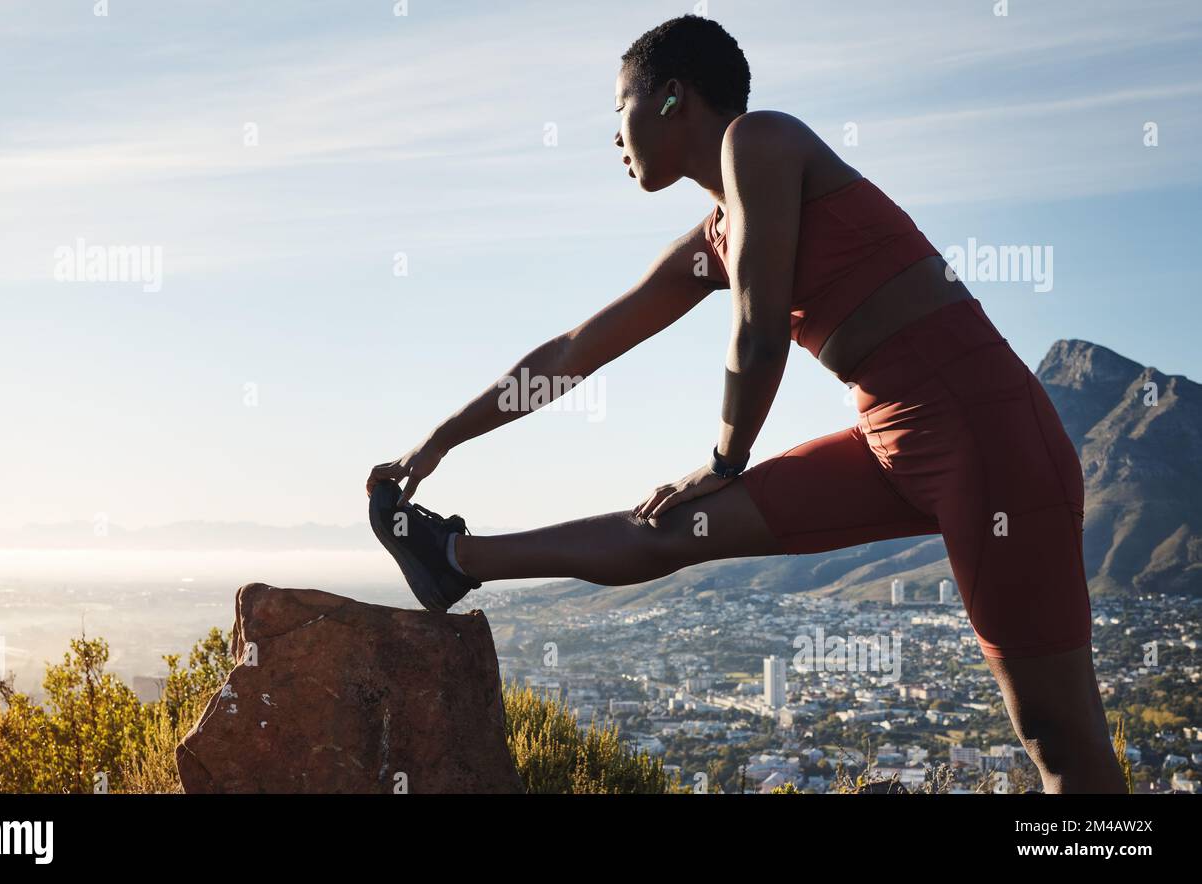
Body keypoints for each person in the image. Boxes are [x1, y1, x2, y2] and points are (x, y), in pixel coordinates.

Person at [365, 15, 1125, 793]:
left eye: (617, 111)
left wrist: (726, 461)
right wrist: (442, 439)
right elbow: (570, 352)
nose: (614, 141)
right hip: (890, 441)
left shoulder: (760, 141)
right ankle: (454, 559)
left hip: (988, 436)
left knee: (1056, 736)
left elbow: (758, 335)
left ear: (670, 99)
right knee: (670, 526)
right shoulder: (717, 235)